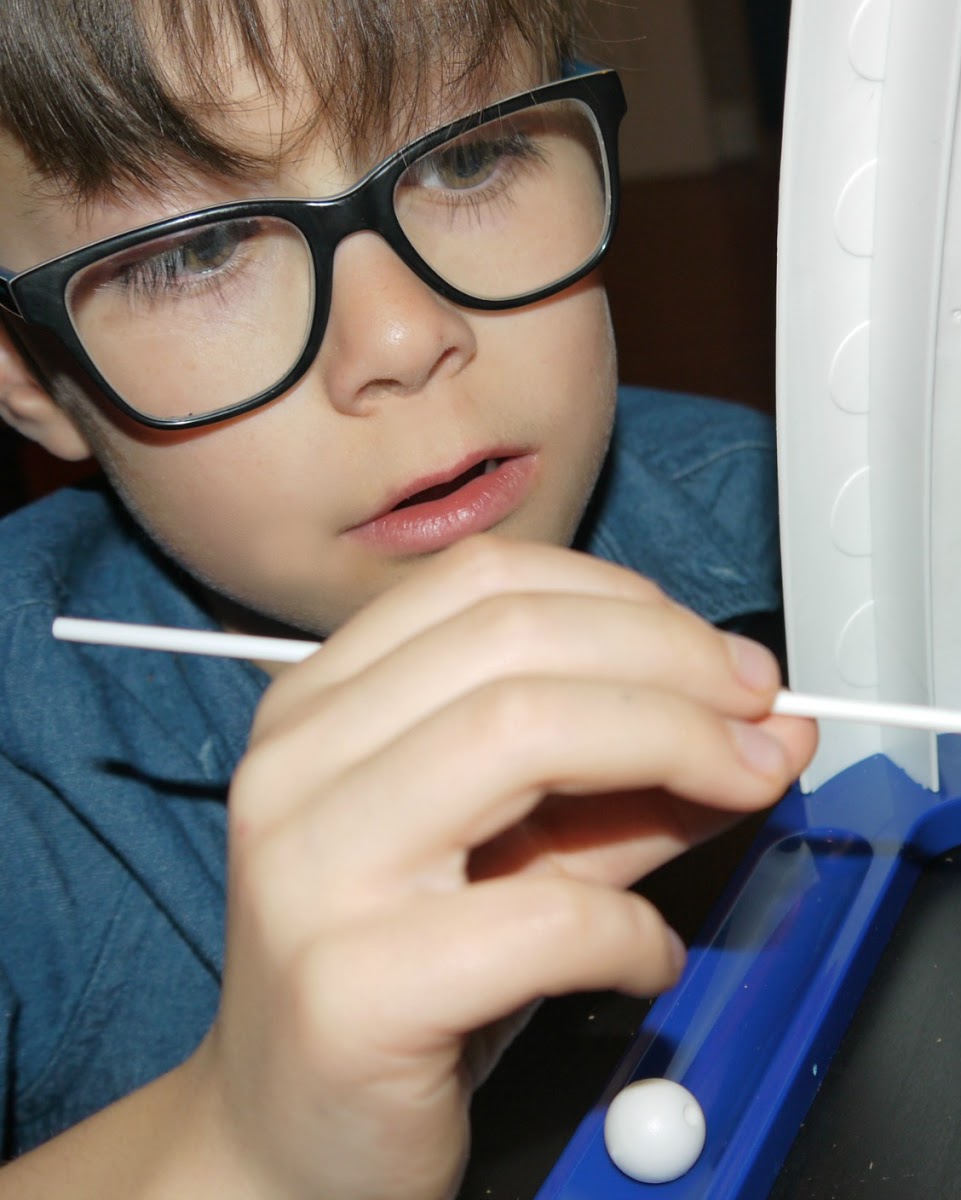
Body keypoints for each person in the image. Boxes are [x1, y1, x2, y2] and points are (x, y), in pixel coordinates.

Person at [0, 1, 817, 1195]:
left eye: (468, 156)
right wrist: (243, 1150)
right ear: (27, 369)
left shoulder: (789, 526)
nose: (401, 333)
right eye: (197, 252)